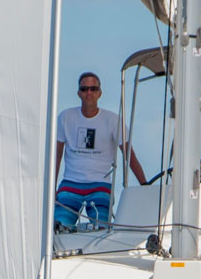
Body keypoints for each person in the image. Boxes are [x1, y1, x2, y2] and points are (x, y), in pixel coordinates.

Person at [54, 71, 146, 229]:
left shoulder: (112, 120)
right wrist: (50, 189)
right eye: (84, 89)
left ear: (100, 93)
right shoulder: (65, 117)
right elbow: (56, 156)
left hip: (100, 185)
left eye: (93, 89)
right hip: (71, 183)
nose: (88, 92)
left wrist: (145, 186)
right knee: (57, 227)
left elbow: (129, 156)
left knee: (101, 229)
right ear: (78, 93)